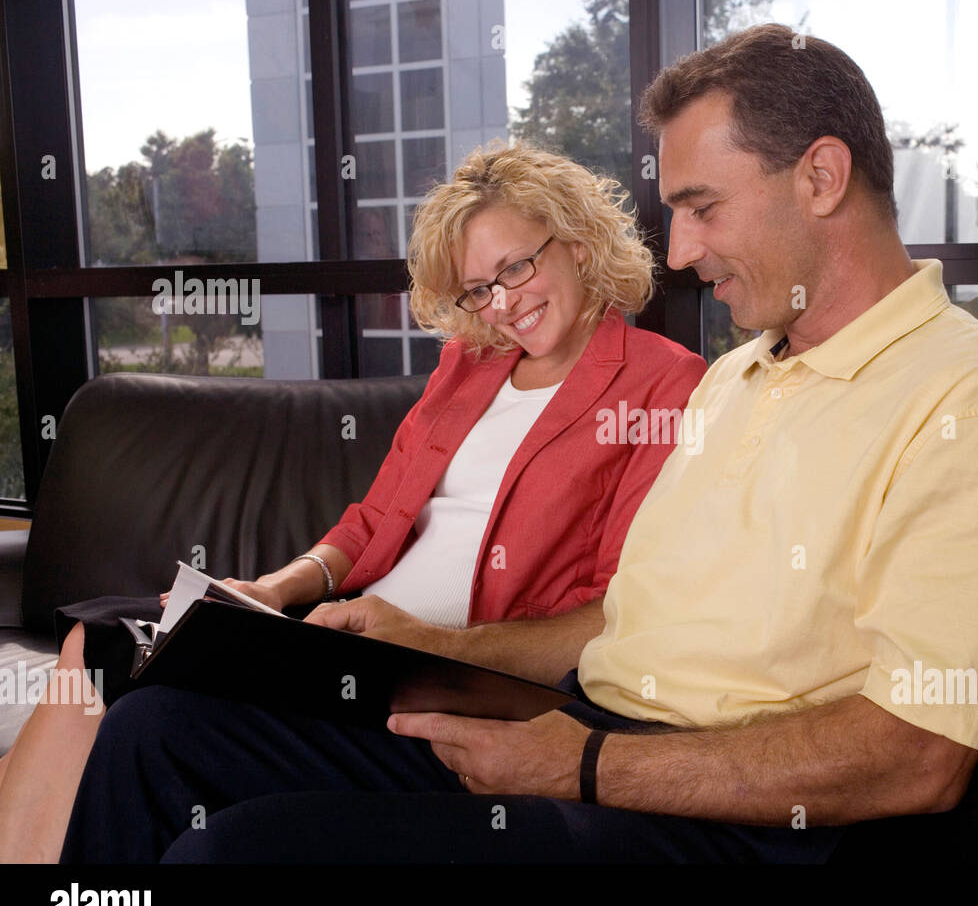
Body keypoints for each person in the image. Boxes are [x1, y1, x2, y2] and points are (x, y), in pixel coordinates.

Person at [58, 24, 978, 864]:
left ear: (821, 176)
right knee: (160, 729)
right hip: (592, 736)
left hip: (728, 819)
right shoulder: (747, 375)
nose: (682, 252)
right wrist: (426, 653)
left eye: (700, 208)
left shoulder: (972, 403)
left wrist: (586, 765)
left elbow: (914, 752)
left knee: (240, 852)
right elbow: (619, 614)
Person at [0, 141, 706, 863]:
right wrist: (273, 591)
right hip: (349, 647)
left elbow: (619, 614)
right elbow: (371, 521)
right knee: (127, 672)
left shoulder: (663, 387)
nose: (502, 304)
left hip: (458, 685)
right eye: (477, 290)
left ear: (580, 245)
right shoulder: (467, 368)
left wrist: (433, 646)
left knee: (149, 724)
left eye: (515, 268)